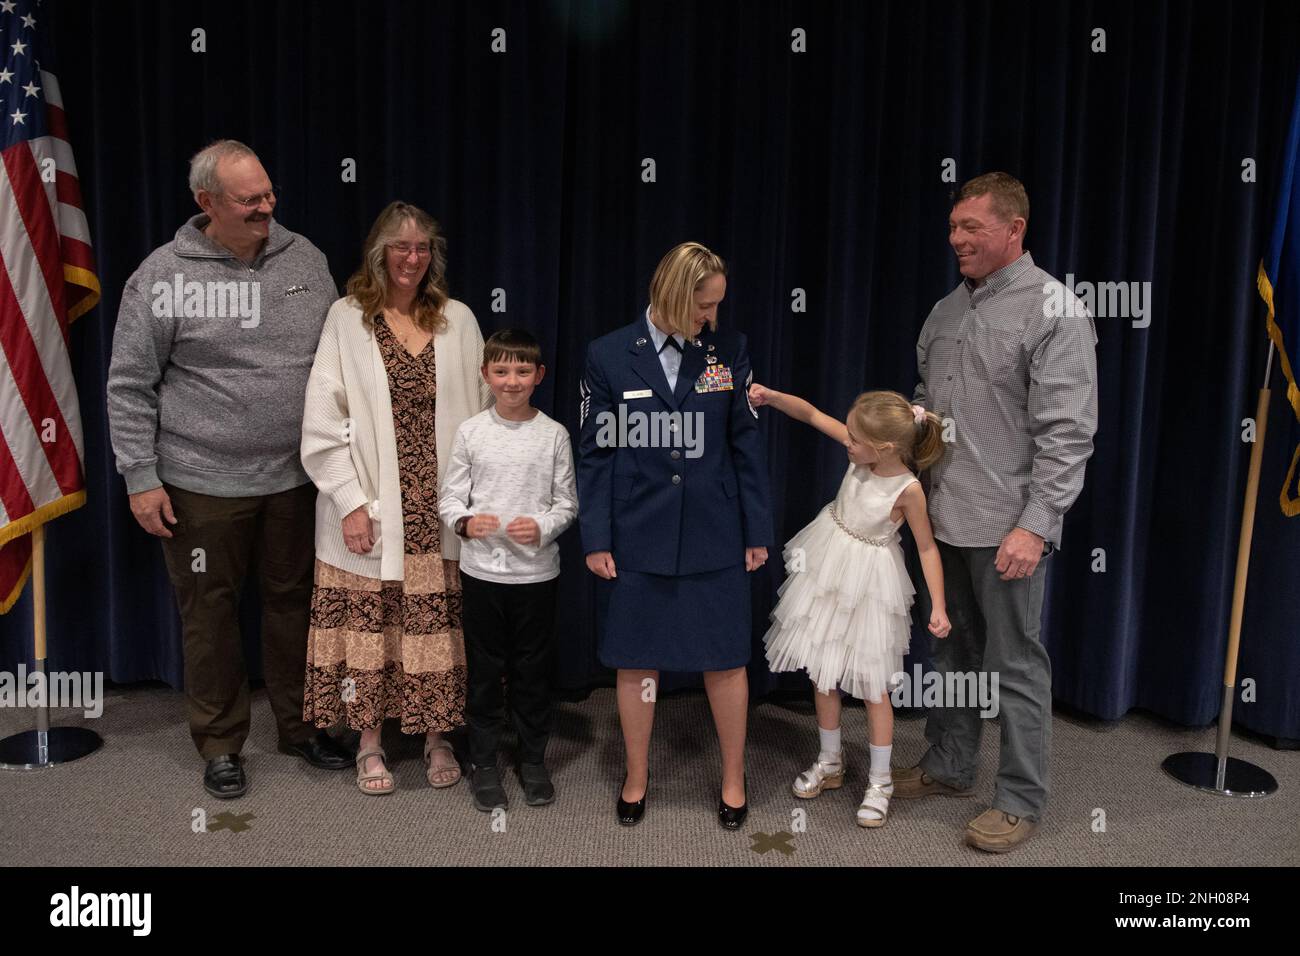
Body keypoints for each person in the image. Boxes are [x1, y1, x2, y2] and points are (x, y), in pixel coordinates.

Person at [107, 139, 351, 799]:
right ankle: (219, 744)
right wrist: (140, 476)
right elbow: (129, 384)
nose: (268, 208)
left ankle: (302, 727)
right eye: (251, 201)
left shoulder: (306, 259)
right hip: (200, 486)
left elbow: (339, 360)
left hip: (298, 482)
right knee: (210, 617)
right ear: (206, 201)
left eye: (270, 195)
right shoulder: (161, 276)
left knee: (296, 606)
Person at [898, 172, 1098, 852]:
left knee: (1015, 663)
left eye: (970, 228)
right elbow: (930, 400)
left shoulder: (1055, 310)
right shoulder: (946, 310)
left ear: (1014, 229)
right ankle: (951, 765)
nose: (956, 239)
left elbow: (1068, 432)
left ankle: (1018, 798)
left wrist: (1035, 525)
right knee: (950, 649)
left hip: (1009, 525)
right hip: (944, 518)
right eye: (953, 228)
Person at [577, 241, 773, 830]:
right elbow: (595, 454)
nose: (710, 317)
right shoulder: (609, 355)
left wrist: (756, 530)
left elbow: (745, 444)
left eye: (716, 305)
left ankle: (733, 777)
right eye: (702, 306)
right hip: (639, 531)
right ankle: (637, 776)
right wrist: (596, 536)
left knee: (725, 657)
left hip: (717, 529)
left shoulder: (728, 351)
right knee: (638, 660)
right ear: (671, 295)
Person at [299, 201, 491, 795]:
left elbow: (487, 414)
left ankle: (436, 737)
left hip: (439, 507)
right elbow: (323, 420)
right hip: (371, 507)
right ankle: (370, 743)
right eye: (400, 247)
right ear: (378, 252)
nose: (411, 258)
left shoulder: (456, 319)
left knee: (433, 624)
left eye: (422, 248)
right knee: (370, 626)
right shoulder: (348, 319)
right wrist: (350, 502)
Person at [750, 386, 950, 827]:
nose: (847, 443)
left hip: (872, 583)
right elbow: (814, 412)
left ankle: (881, 780)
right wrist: (772, 398)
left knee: (875, 686)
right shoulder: (861, 448)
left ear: (883, 448)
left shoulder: (908, 489)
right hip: (830, 564)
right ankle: (831, 760)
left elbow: (928, 548)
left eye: (855, 441)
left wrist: (939, 605)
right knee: (823, 674)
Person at [439, 329, 578, 811]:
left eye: (522, 371)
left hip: (536, 577)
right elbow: (451, 498)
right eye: (501, 371)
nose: (512, 381)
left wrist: (540, 527)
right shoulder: (472, 432)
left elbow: (567, 505)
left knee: (531, 671)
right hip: (482, 576)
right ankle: (483, 763)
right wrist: (464, 521)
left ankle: (533, 759)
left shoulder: (554, 434)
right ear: (486, 376)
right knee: (484, 672)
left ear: (538, 376)